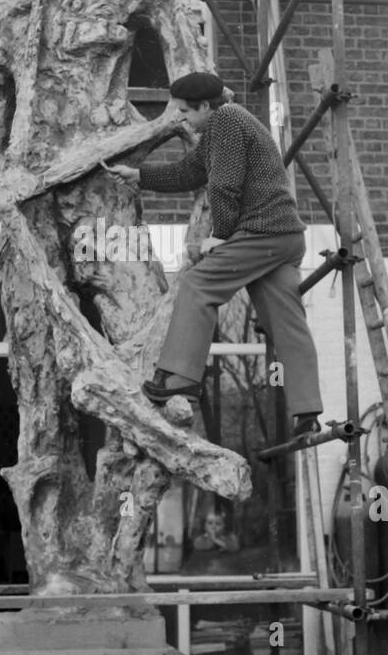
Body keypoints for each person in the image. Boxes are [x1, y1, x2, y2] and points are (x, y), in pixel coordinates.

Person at [111, 71, 323, 437]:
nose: (179, 119)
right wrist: (139, 176)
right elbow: (187, 173)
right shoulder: (223, 129)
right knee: (286, 324)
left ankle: (180, 377)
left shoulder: (226, 121)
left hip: (261, 233)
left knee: (196, 284)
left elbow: (224, 185)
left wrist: (220, 237)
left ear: (206, 107)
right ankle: (307, 413)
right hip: (286, 238)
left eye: (184, 112)